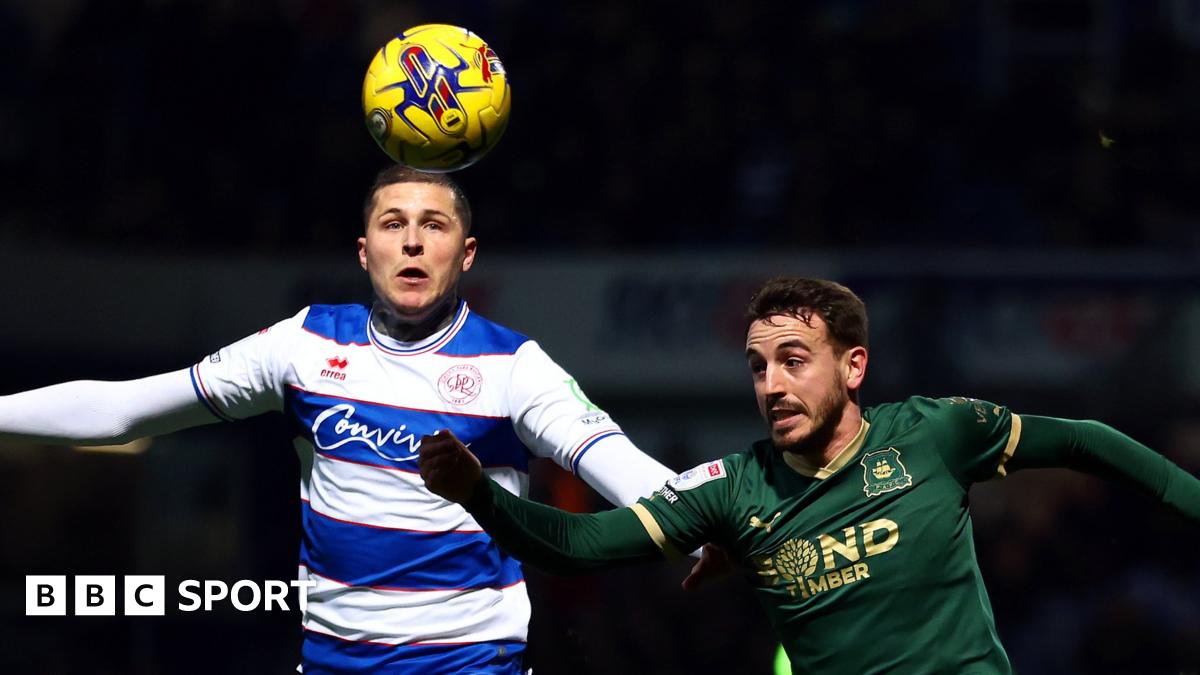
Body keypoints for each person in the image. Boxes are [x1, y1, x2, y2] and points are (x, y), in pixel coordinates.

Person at [0, 166, 700, 674]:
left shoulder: (515, 366)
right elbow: (126, 408)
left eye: (435, 226)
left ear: (467, 252)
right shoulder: (303, 344)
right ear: (365, 251)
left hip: (470, 665)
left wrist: (709, 532)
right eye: (394, 225)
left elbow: (618, 465)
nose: (414, 242)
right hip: (332, 664)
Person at [419, 276, 1200, 674]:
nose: (771, 385)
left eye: (793, 361)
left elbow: (1088, 441)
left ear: (854, 365)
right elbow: (579, 544)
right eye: (758, 366)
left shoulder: (936, 433)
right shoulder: (730, 486)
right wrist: (480, 494)